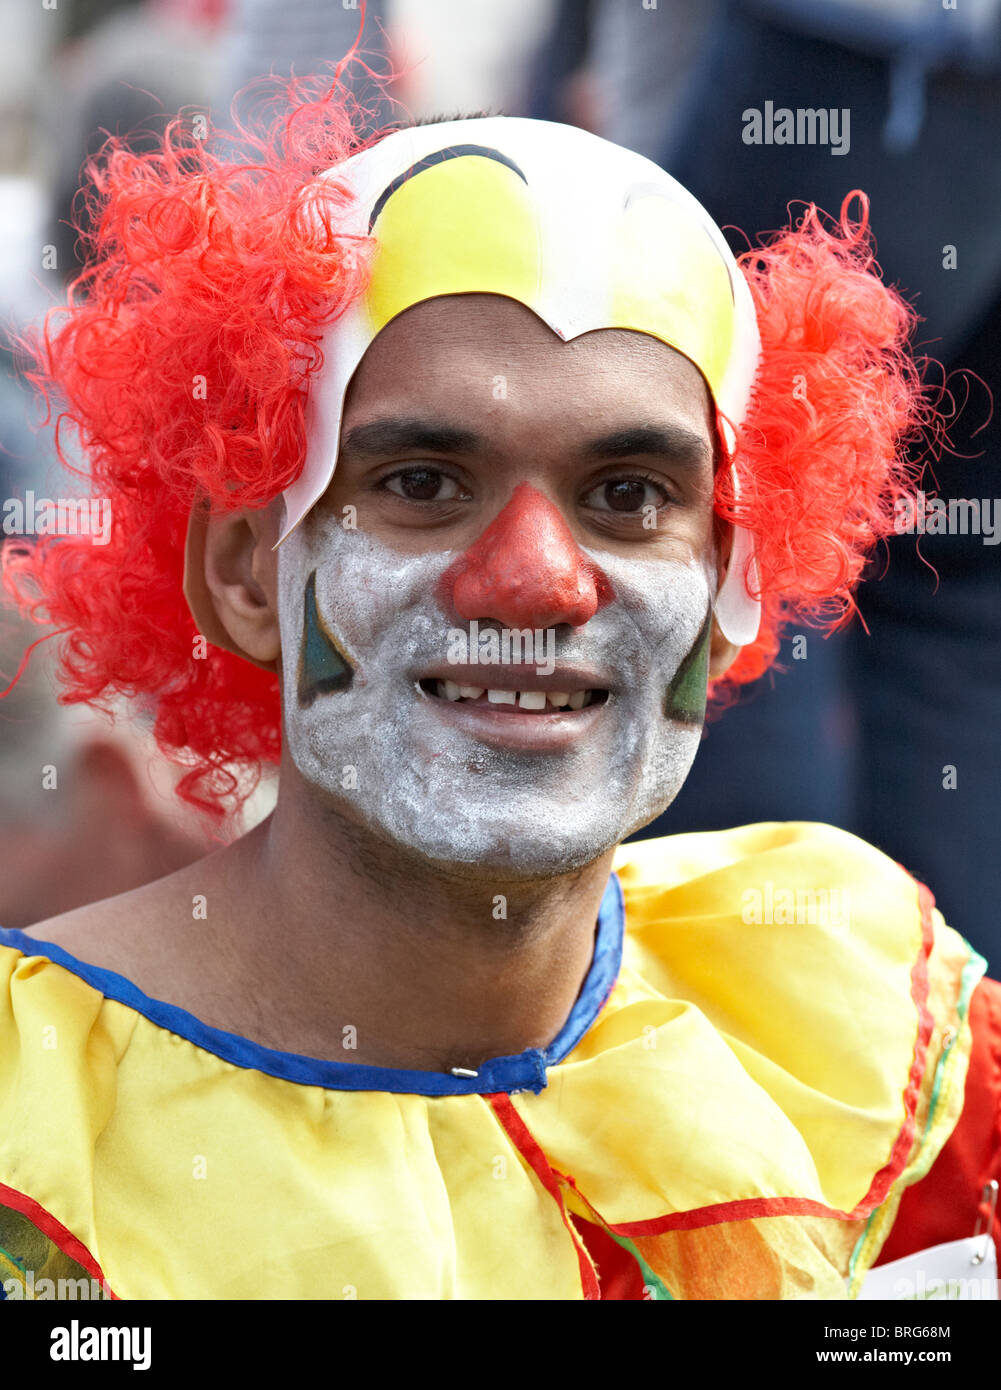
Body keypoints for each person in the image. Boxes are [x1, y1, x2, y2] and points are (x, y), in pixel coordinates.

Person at [0, 66, 997, 1301]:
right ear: (248, 570)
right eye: (420, 481)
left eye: (627, 496)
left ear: (736, 582)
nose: (534, 582)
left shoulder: (854, 1010)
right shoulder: (31, 1127)